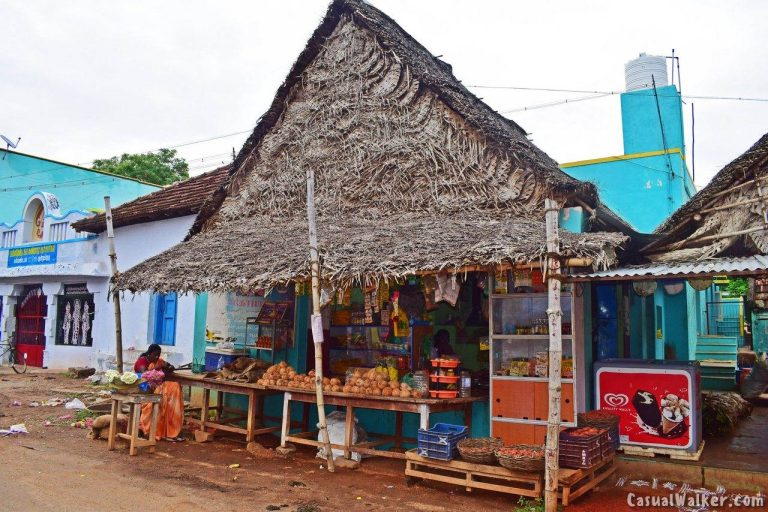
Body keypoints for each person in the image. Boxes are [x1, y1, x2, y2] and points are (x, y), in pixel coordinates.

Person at [134, 344, 184, 442]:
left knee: (174, 387)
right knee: (160, 396)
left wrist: (168, 367)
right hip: (143, 387)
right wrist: (159, 373)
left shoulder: (158, 361)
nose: (157, 357)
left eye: (158, 355)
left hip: (155, 386)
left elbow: (169, 366)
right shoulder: (142, 362)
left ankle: (169, 430)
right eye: (155, 355)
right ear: (150, 354)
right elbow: (146, 377)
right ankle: (148, 430)